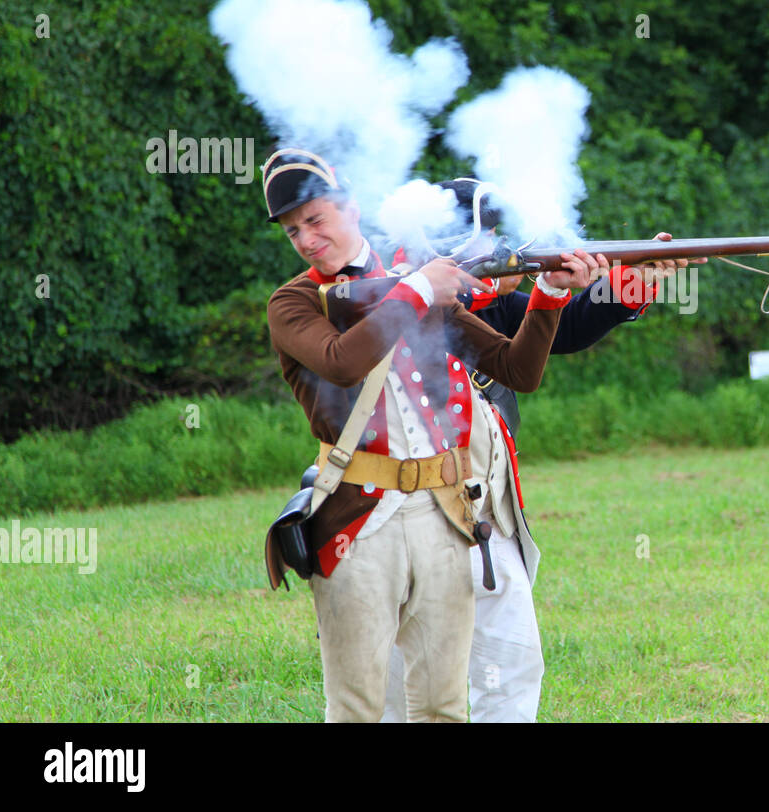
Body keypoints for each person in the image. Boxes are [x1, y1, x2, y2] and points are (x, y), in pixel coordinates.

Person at [262, 148, 597, 722]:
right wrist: (418, 289)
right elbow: (342, 362)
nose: (306, 238)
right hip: (358, 518)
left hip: (444, 514)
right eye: (295, 230)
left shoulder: (414, 284)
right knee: (358, 707)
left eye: (315, 220)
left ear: (351, 208)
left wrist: (550, 295)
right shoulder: (295, 301)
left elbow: (517, 370)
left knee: (443, 708)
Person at [380, 178, 700, 722]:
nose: (500, 251)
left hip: (483, 505)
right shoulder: (392, 302)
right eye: (489, 239)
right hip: (393, 508)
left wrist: (632, 281)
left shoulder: (492, 305)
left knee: (512, 661)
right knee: (391, 680)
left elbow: (564, 328)